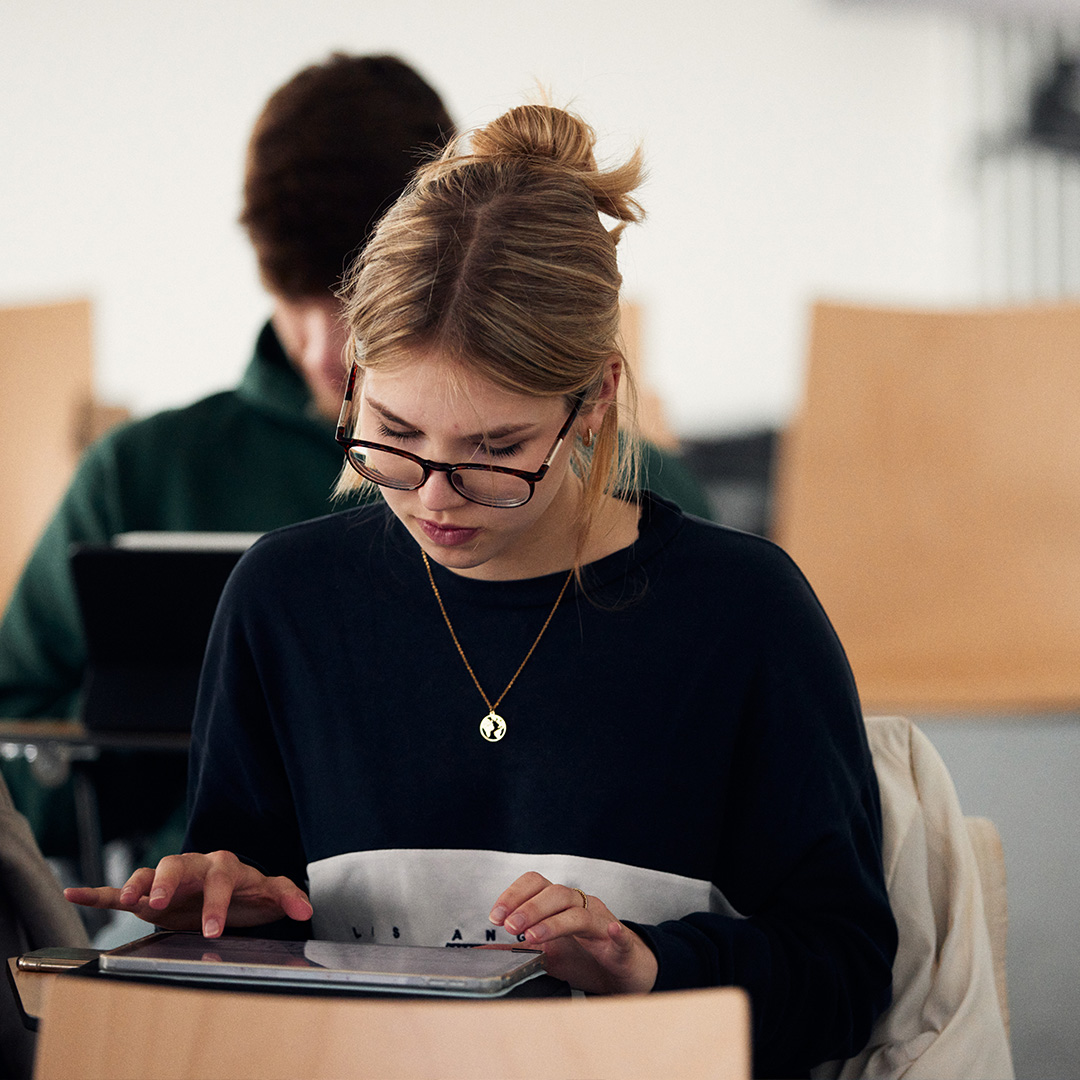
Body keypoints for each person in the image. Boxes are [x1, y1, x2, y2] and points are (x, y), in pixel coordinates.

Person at [66, 103, 896, 1076]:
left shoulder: (742, 613)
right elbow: (252, 947)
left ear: (597, 401)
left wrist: (645, 965)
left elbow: (846, 977)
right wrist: (230, 911)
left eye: (495, 452)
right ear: (353, 383)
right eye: (395, 439)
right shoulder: (284, 599)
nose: (434, 499)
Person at [0, 55, 715, 870]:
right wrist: (207, 734)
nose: (320, 346)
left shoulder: (642, 496)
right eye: (288, 291)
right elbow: (20, 744)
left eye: (496, 451)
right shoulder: (143, 472)